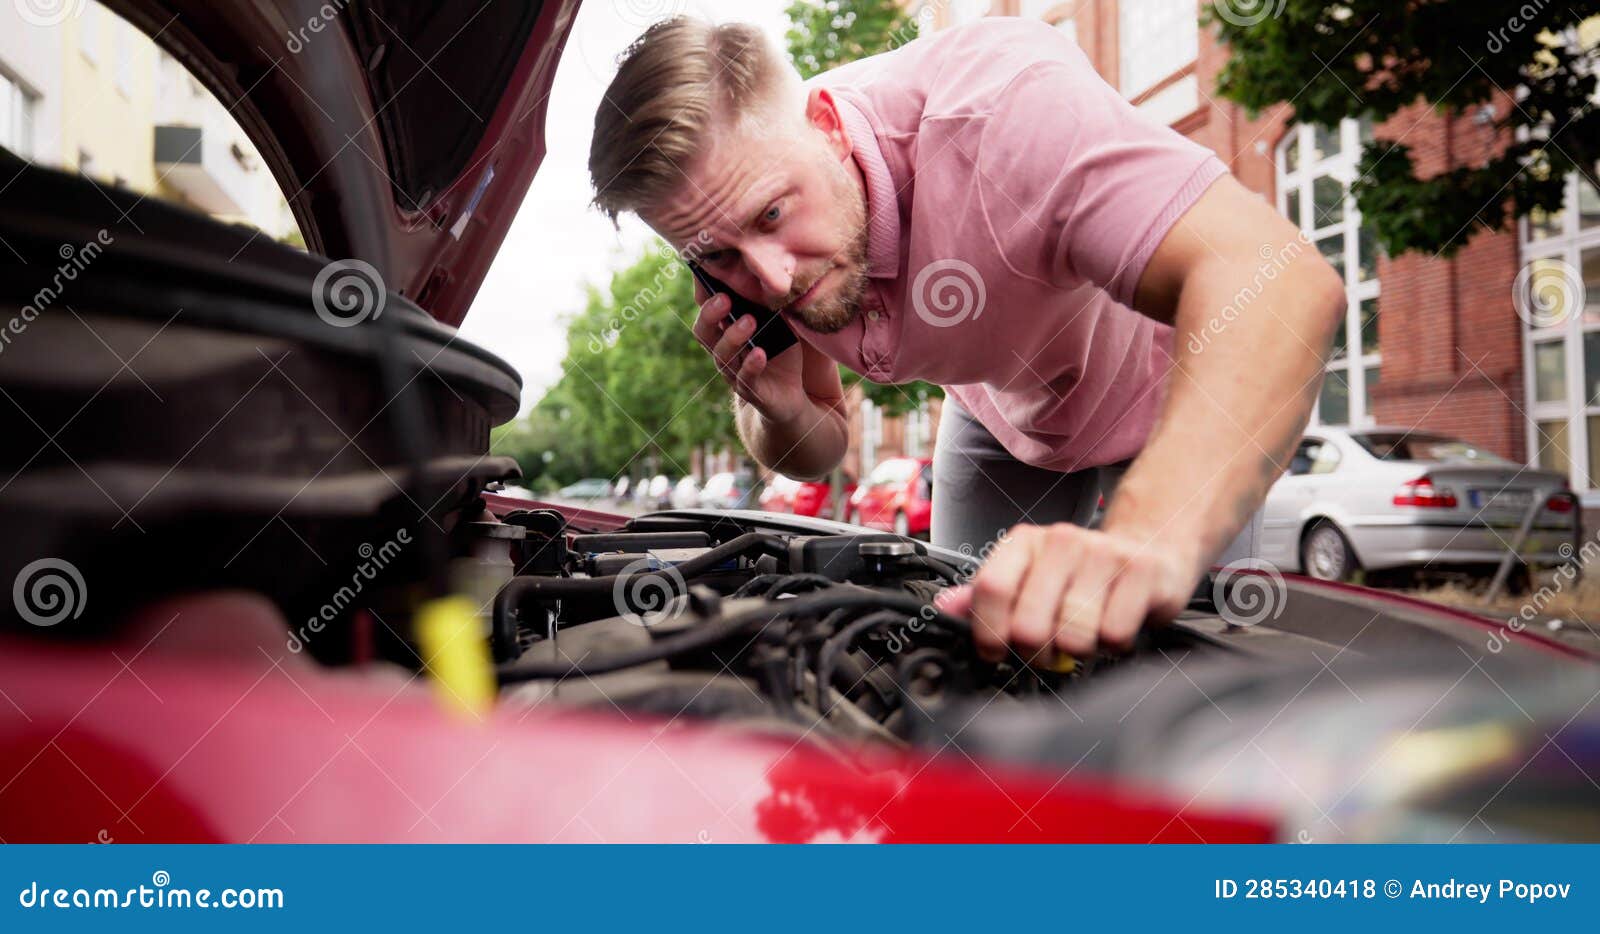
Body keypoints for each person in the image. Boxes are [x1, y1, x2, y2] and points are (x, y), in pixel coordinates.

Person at [586, 16, 1345, 662]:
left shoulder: (1005, 109)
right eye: (718, 255)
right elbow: (817, 449)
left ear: (827, 126)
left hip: (1164, 395)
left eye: (773, 216)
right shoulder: (742, 229)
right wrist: (778, 408)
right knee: (968, 661)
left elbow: (1281, 282)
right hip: (995, 415)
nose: (773, 279)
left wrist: (1145, 538)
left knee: (1194, 671)